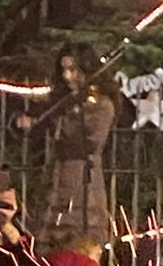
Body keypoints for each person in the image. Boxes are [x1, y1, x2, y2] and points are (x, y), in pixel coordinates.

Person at [16, 44, 119, 242]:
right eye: (63, 70)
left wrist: (69, 115)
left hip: (82, 178)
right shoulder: (61, 101)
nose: (67, 76)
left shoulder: (101, 105)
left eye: (73, 70)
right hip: (56, 173)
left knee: (77, 237)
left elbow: (90, 143)